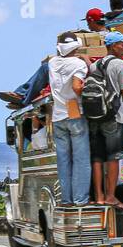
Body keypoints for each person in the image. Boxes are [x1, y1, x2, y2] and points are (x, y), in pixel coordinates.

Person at [85, 32, 123, 207]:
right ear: (112, 46)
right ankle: (110, 196)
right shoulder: (120, 64)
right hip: (113, 116)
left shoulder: (95, 65)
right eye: (121, 44)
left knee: (97, 158)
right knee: (113, 158)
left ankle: (99, 196)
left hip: (95, 116)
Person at [0, 9, 106, 109]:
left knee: (46, 68)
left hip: (80, 70)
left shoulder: (98, 37)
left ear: (91, 21)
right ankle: (22, 96)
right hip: (82, 70)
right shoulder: (108, 35)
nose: (87, 25)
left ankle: (22, 97)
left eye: (88, 22)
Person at [48, 32, 90, 204]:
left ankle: (66, 199)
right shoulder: (79, 64)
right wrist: (84, 86)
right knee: (81, 160)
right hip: (75, 114)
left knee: (63, 161)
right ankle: (80, 199)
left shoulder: (52, 63)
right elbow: (76, 87)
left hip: (58, 116)